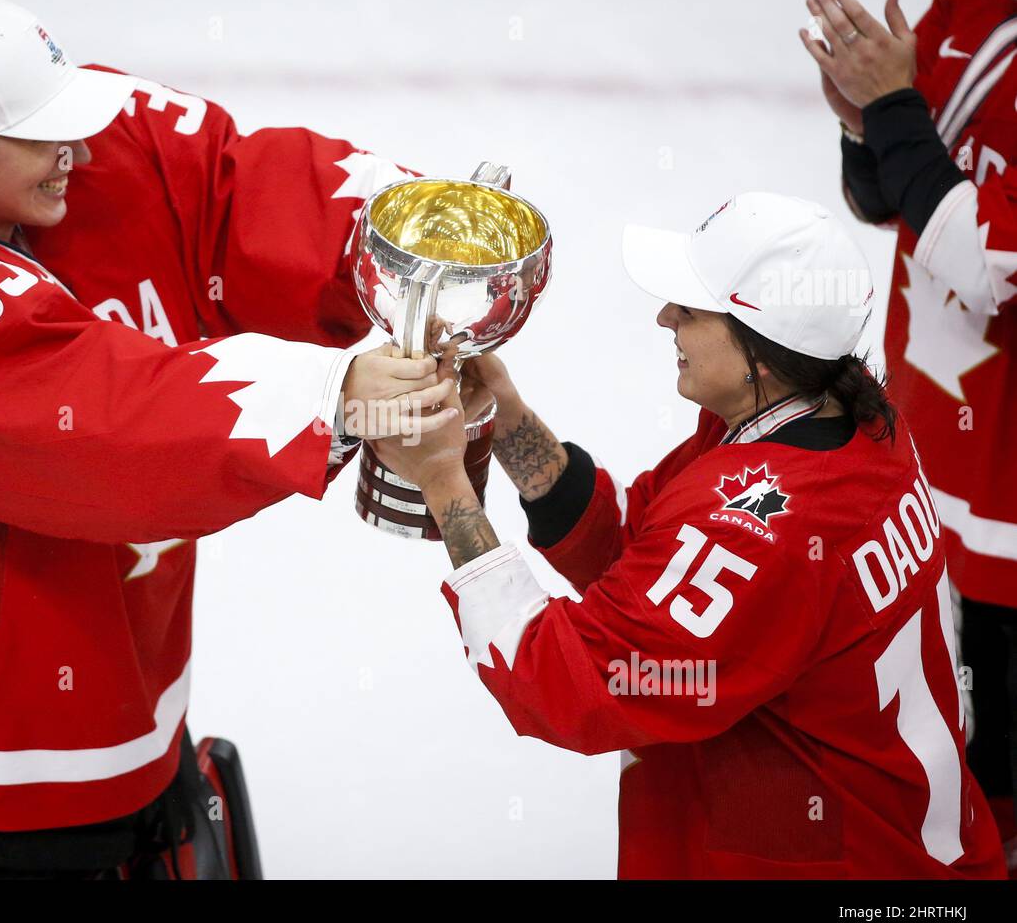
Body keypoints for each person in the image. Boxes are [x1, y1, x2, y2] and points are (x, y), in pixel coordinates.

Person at [0, 0, 456, 879]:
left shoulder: (71, 159)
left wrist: (406, 238)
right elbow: (104, 430)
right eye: (45, 135)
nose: (80, 151)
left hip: (112, 728)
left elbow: (222, 189)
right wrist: (332, 394)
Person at [370, 192, 1007, 878]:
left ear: (761, 352)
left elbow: (564, 683)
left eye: (692, 308)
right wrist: (508, 415)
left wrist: (444, 485)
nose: (664, 316)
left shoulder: (760, 527)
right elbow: (638, 547)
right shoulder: (852, 422)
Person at [800, 0, 1017, 870]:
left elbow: (987, 263)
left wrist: (890, 106)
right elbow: (892, 190)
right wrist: (864, 120)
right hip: (946, 430)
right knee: (977, 677)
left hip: (1008, 467)